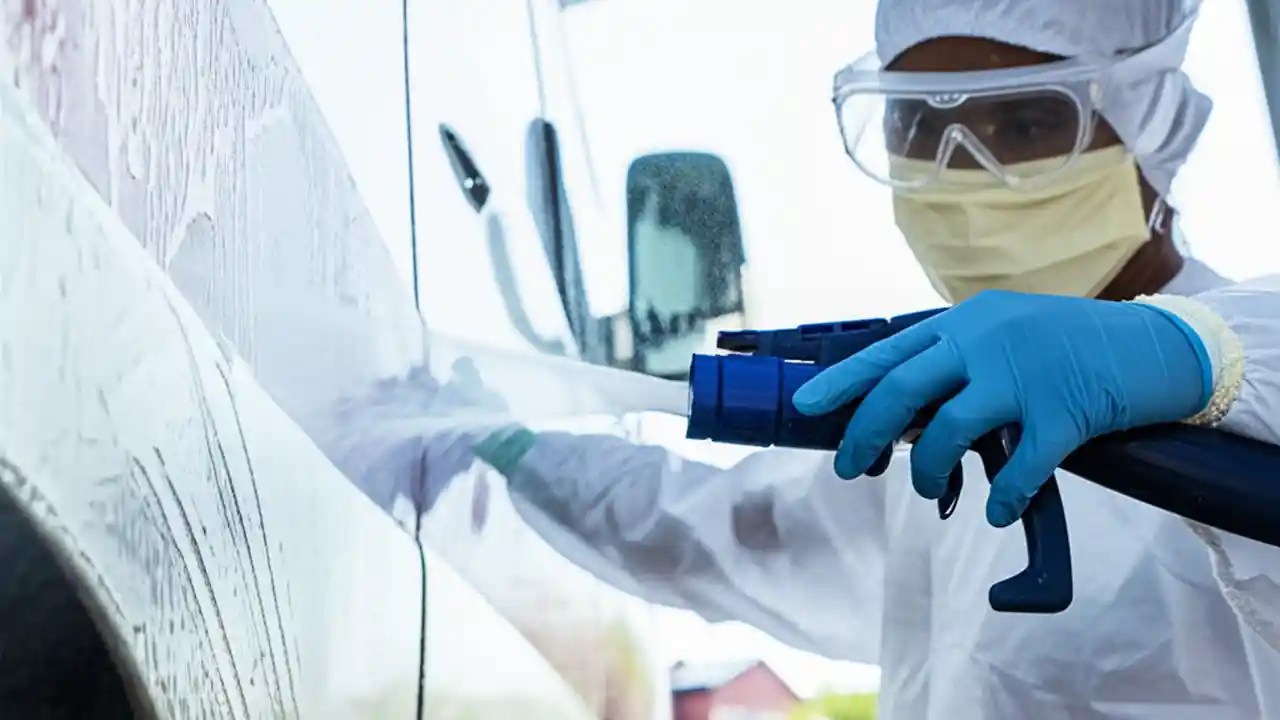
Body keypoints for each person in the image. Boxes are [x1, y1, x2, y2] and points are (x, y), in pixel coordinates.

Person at [331, 0, 1280, 717]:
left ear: (1152, 117)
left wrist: (1186, 356)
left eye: (1027, 123)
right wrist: (509, 450)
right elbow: (732, 532)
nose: (962, 173)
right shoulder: (943, 420)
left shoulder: (1239, 375)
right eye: (916, 127)